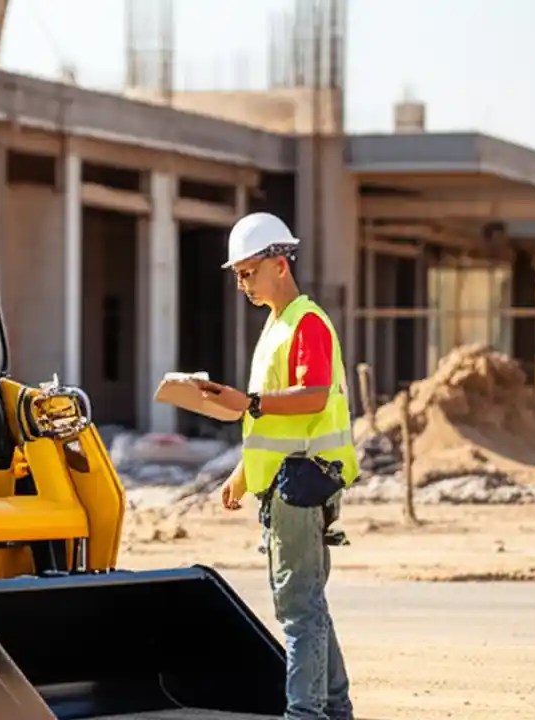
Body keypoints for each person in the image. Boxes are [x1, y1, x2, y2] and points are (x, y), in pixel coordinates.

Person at [194, 211, 359, 720]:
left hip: (303, 483)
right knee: (308, 603)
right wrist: (242, 474)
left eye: (248, 272)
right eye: (238, 274)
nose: (242, 283)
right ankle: (334, 709)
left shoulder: (305, 322)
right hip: (287, 481)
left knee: (298, 609)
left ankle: (306, 714)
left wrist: (250, 401)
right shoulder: (277, 326)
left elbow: (309, 398)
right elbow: (268, 420)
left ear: (279, 264)